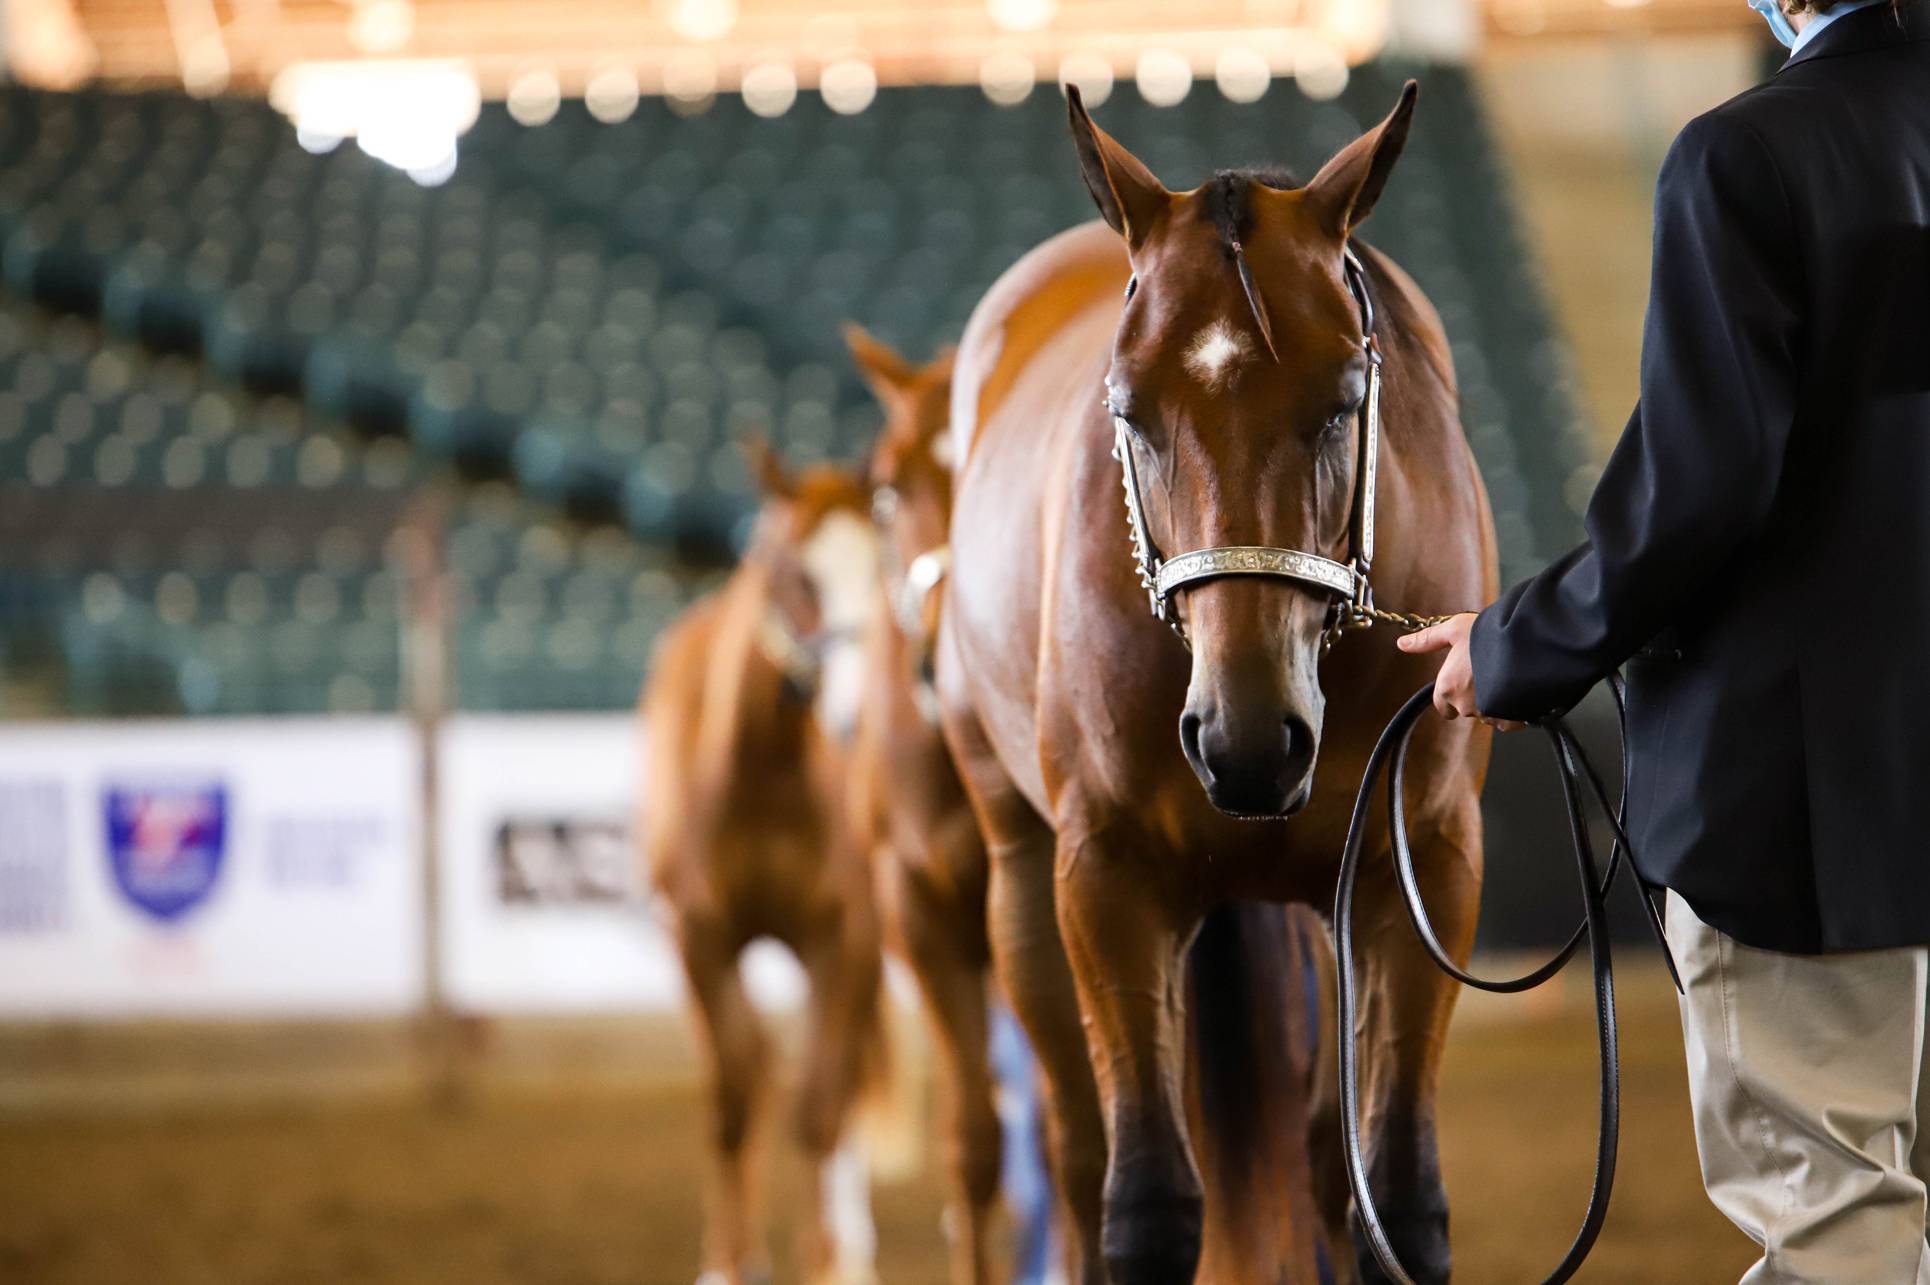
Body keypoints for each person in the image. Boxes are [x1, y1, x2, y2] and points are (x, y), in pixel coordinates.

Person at [1399, 2, 1930, 1280]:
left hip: (1810, 822)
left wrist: (1515, 645)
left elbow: (1697, 494)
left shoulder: (1747, 154)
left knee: (1838, 1231)